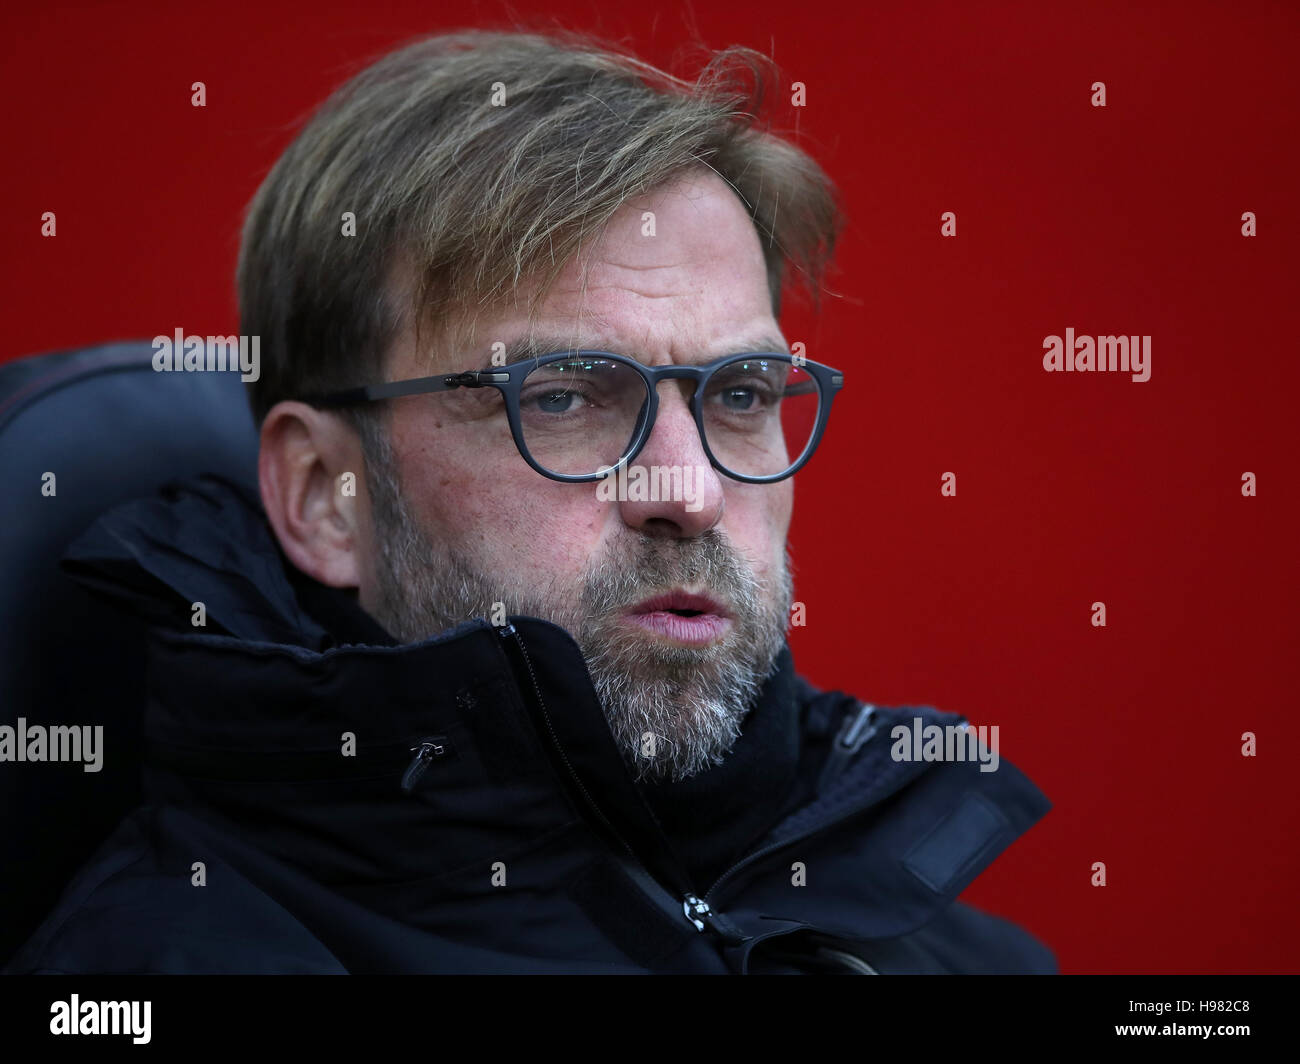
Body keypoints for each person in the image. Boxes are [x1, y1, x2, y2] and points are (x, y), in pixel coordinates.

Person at [6, 27, 1053, 974]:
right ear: (328, 495)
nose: (687, 492)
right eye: (561, 399)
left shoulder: (959, 954)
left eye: (738, 395)